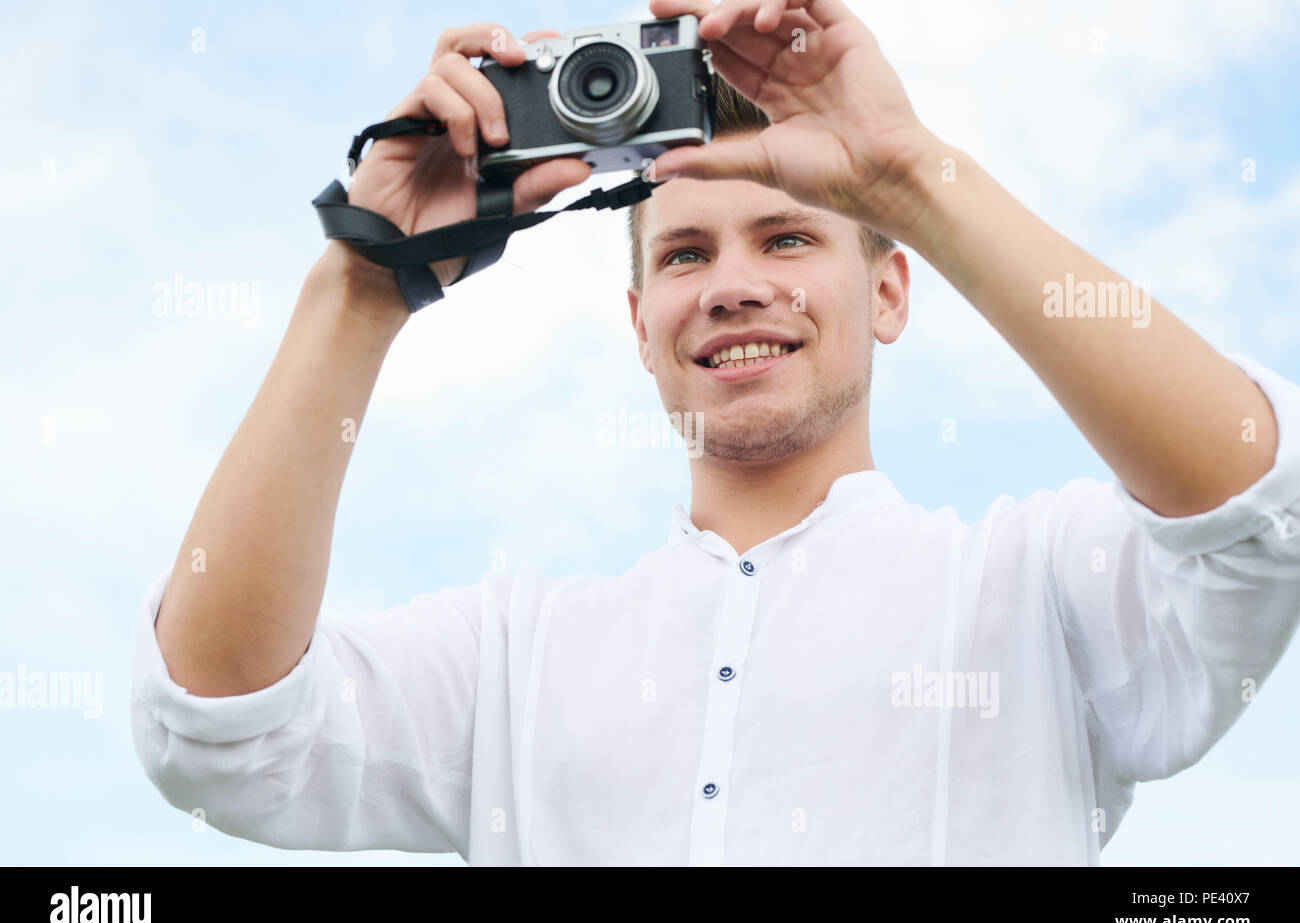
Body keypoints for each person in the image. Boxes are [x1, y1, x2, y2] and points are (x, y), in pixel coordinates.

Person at [130, 0, 1300, 865]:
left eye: (788, 240)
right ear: (641, 326)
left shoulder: (1034, 585)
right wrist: (363, 281)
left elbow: (1255, 506)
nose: (733, 286)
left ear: (888, 292)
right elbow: (217, 730)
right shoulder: (511, 658)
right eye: (686, 255)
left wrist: (907, 175)